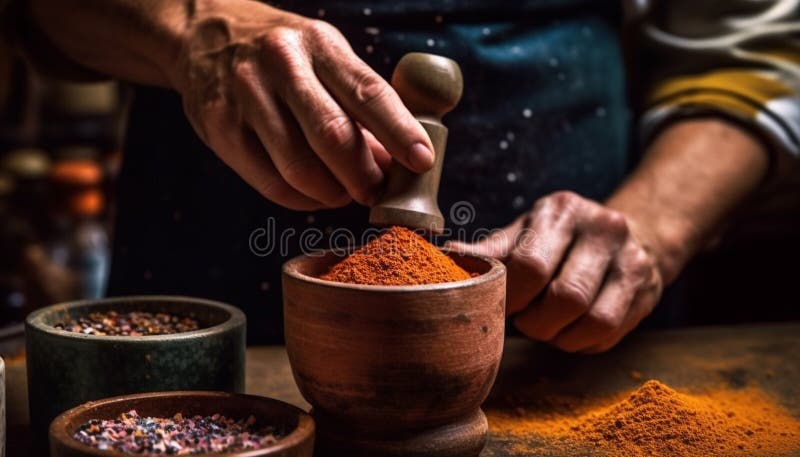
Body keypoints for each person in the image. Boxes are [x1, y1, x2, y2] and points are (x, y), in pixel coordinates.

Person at [5, 0, 799, 349]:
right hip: (208, 279)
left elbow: (757, 44)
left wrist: (654, 228)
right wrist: (185, 25)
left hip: (567, 345)